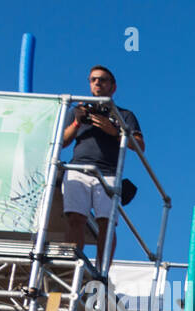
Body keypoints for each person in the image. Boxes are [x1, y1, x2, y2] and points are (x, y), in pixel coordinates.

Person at [61, 65, 144, 256]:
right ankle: (74, 264)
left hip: (108, 173)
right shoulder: (77, 110)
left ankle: (102, 271)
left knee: (106, 223)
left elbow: (140, 145)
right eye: (93, 79)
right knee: (75, 218)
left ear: (113, 87)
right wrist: (76, 122)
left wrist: (115, 132)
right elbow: (62, 141)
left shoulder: (124, 115)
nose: (97, 82)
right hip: (78, 169)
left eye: (103, 79)